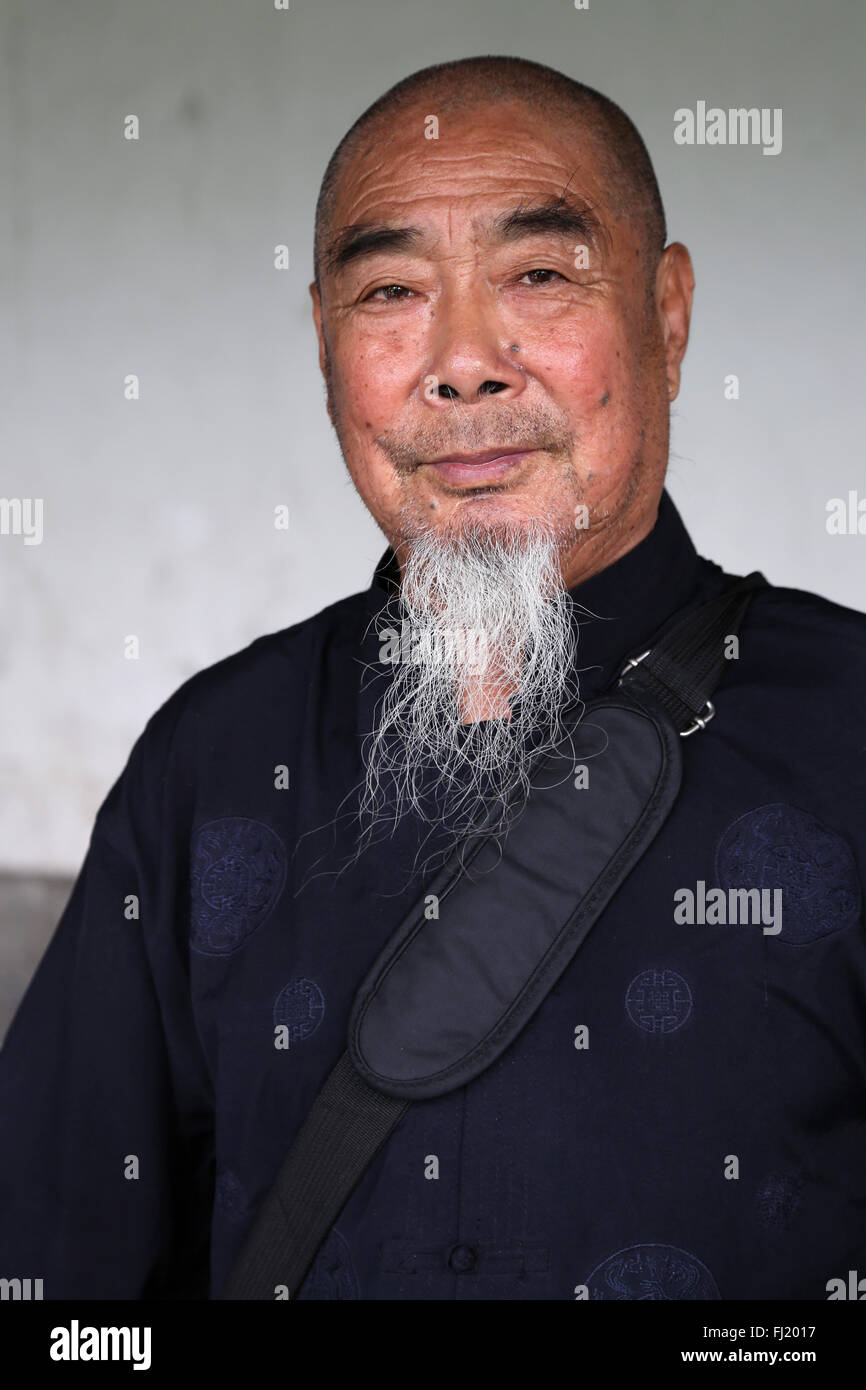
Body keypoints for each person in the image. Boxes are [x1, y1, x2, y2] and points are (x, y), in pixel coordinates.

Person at [1, 54, 864, 1302]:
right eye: (392, 289)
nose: (463, 362)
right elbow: (59, 1284)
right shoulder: (213, 762)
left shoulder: (844, 732)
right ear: (321, 342)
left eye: (539, 274)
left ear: (666, 318)